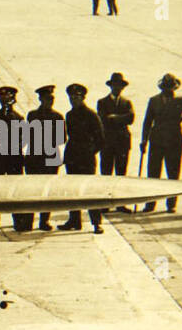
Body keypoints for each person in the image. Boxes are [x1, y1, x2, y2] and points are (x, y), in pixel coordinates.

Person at [139, 74, 182, 213]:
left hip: (174, 140)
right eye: (166, 87)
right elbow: (147, 121)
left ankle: (171, 204)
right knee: (153, 173)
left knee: (173, 173)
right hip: (156, 139)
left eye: (171, 87)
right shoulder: (153, 100)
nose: (169, 89)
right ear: (162, 87)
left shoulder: (181, 100)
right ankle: (150, 204)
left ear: (174, 87)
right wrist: (144, 140)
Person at [57, 84, 104, 233]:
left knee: (90, 190)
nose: (73, 100)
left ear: (83, 98)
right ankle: (74, 220)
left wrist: (89, 153)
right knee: (72, 190)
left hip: (86, 159)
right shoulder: (69, 115)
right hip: (72, 157)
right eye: (71, 98)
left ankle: (96, 223)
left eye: (76, 97)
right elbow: (69, 136)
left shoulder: (91, 115)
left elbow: (101, 139)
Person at [24, 85, 63, 232]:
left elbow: (62, 139)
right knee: (32, 191)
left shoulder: (58, 116)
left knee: (48, 191)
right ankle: (29, 221)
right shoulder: (32, 115)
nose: (50, 101)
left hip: (50, 158)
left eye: (52, 99)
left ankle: (44, 221)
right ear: (41, 99)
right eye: (47, 99)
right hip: (35, 157)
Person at [96, 72, 135, 216]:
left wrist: (115, 117)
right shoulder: (102, 102)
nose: (118, 88)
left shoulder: (126, 102)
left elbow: (131, 118)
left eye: (120, 86)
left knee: (121, 173)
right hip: (107, 142)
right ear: (111, 86)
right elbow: (103, 119)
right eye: (115, 85)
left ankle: (120, 204)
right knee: (106, 172)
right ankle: (105, 203)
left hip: (122, 142)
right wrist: (120, 118)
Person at [0, 86, 23, 229]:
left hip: (14, 159)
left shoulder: (18, 118)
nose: (5, 103)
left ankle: (17, 219)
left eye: (8, 99)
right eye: (2, 99)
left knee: (15, 190)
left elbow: (24, 139)